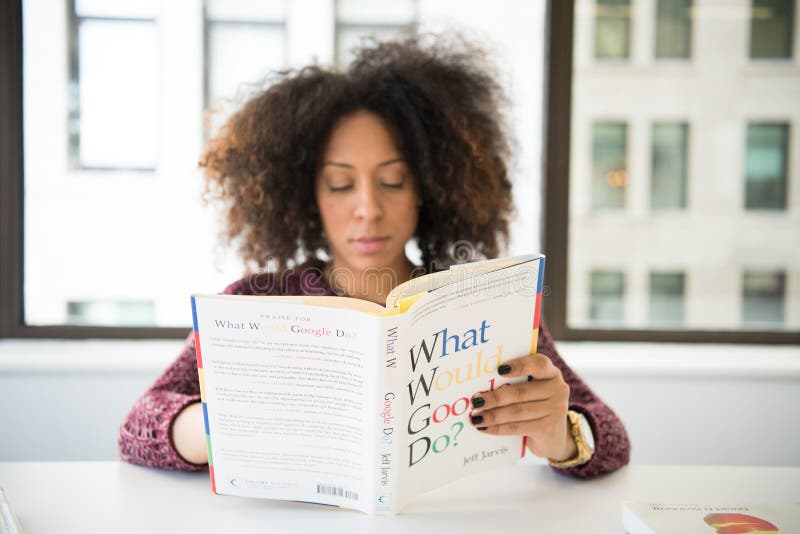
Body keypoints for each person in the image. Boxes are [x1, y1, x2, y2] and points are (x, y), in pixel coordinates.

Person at [119, 35, 630, 479]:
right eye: (340, 184)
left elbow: (610, 436)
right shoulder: (255, 303)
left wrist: (559, 432)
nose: (368, 208)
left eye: (392, 180)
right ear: (304, 196)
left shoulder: (482, 305)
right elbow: (138, 425)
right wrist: (216, 429)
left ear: (429, 188)